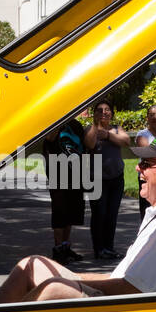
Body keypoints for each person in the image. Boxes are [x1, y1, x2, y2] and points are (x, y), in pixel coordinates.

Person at [0, 134, 156, 303]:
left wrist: (67, 281)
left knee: (54, 289)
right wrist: (76, 278)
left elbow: (130, 289)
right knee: (32, 265)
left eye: (147, 164)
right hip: (122, 299)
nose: (138, 168)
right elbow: (124, 277)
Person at [43, 110, 96, 263]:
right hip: (57, 173)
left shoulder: (76, 125)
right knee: (60, 212)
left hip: (76, 173)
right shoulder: (52, 123)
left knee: (72, 213)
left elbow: (86, 146)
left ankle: (66, 247)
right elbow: (49, 137)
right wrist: (60, 121)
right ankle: (58, 249)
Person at [88, 101, 129, 259]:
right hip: (96, 179)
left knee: (112, 214)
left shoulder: (117, 129)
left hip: (116, 178)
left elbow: (125, 141)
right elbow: (89, 144)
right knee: (99, 214)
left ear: (112, 113)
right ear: (94, 114)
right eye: (100, 110)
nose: (104, 113)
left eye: (107, 110)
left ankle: (109, 248)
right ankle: (99, 249)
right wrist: (96, 126)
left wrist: (108, 135)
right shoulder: (90, 129)